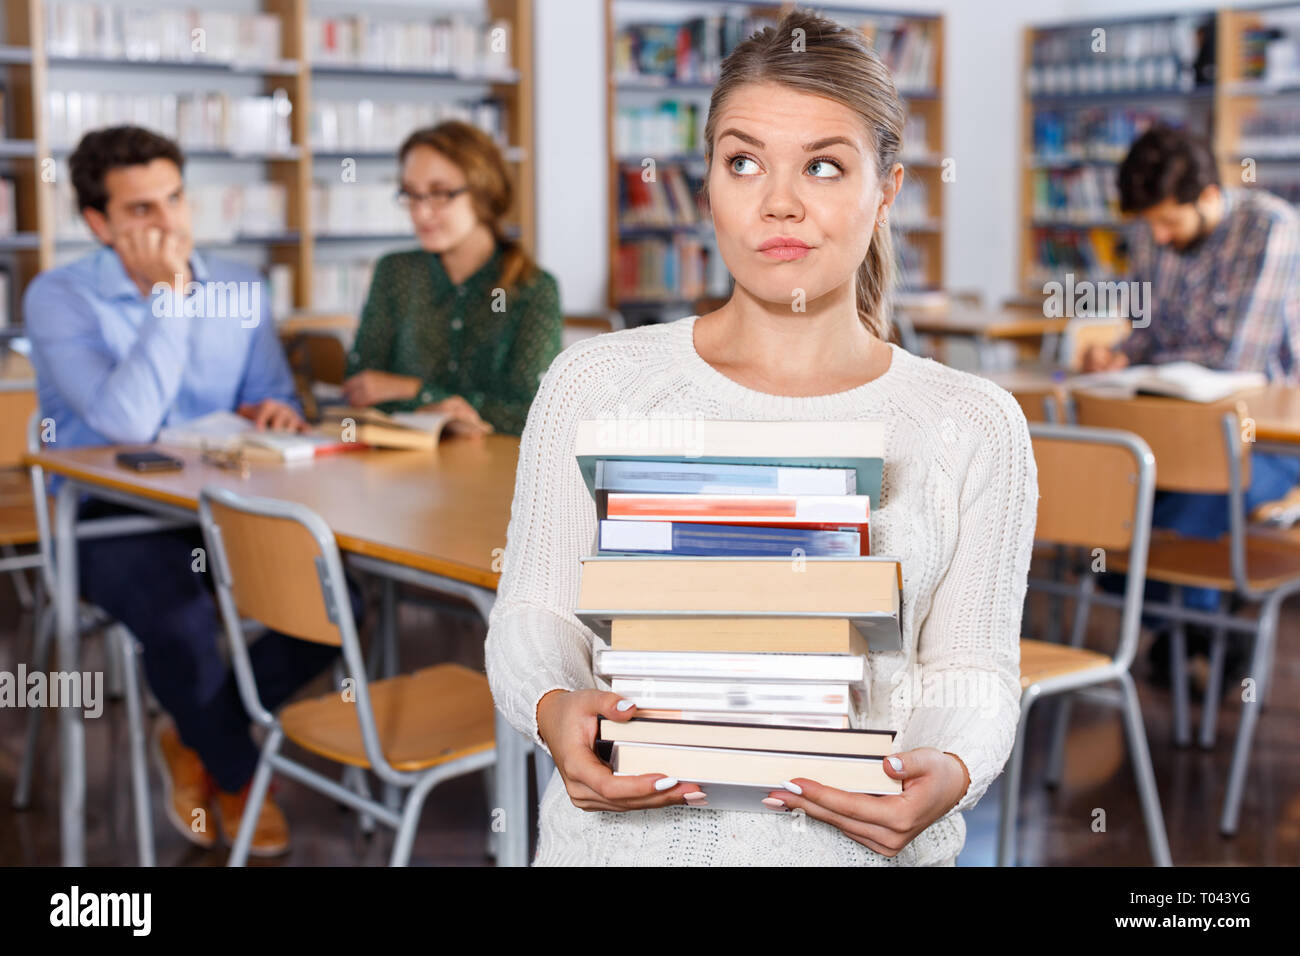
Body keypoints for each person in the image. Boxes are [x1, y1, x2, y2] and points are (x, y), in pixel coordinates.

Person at [485, 10, 1037, 866]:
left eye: (823, 166)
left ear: (887, 188)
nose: (779, 201)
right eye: (744, 162)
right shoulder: (592, 384)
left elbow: (974, 669)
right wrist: (554, 702)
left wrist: (955, 764)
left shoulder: (976, 425)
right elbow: (534, 612)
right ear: (707, 183)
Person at [23, 125, 343, 857]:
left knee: (335, 602)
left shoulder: (239, 286)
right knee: (182, 623)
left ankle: (193, 730)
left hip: (221, 504)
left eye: (173, 198)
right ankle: (240, 773)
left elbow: (267, 392)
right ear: (98, 224)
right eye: (140, 210)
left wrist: (275, 411)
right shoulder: (60, 298)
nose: (168, 222)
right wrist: (170, 300)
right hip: (104, 513)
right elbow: (125, 423)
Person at [1082, 125, 1300, 696]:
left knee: (1167, 509)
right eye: (1148, 224)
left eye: (1167, 223)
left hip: (1263, 442)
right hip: (1172, 433)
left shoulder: (1271, 230)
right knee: (1108, 506)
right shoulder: (1156, 235)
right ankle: (1193, 628)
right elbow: (1148, 336)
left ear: (1207, 197)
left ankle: (1199, 626)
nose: (1155, 236)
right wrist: (1117, 355)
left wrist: (1153, 358)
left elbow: (1240, 362)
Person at [340, 121, 563, 437]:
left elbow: (531, 414)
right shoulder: (394, 272)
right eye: (411, 195)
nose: (421, 213)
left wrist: (413, 391)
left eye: (439, 193)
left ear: (484, 190)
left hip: (495, 473)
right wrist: (441, 409)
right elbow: (359, 390)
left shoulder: (534, 289)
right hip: (402, 473)